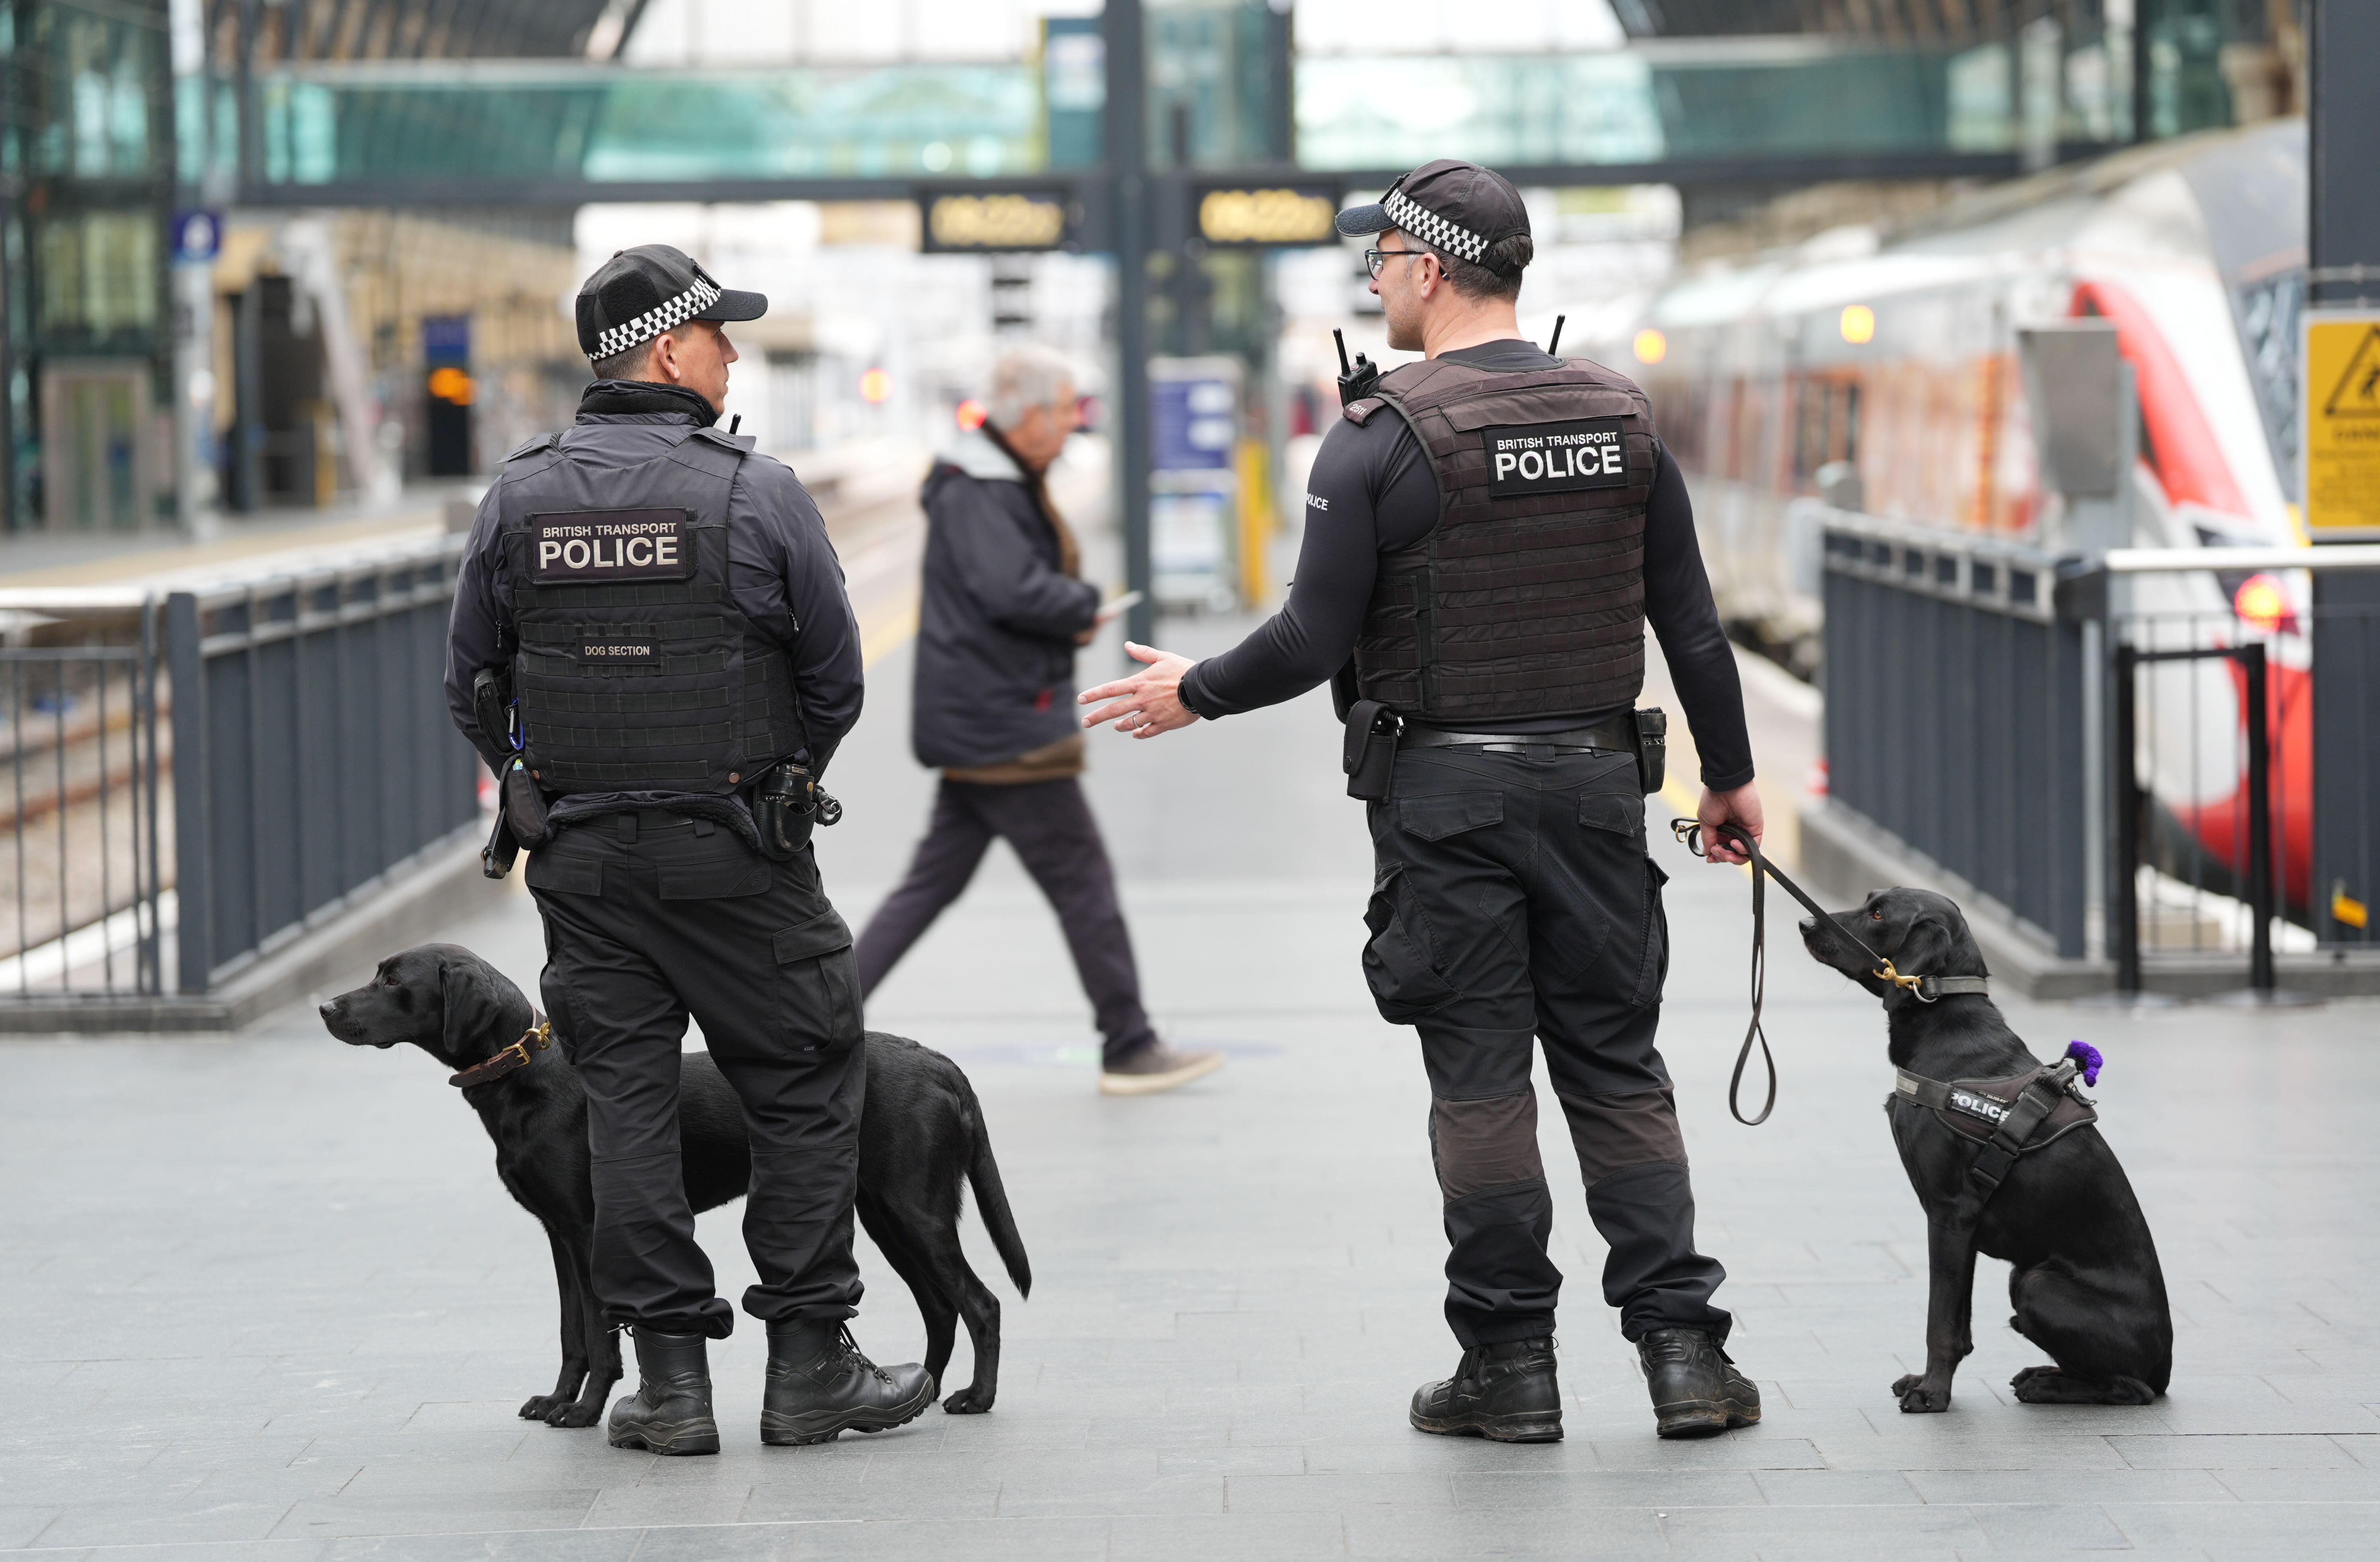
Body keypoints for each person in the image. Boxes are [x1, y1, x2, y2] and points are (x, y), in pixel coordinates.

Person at [1078, 162, 1768, 1443]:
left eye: (1382, 260)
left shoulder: (1381, 437)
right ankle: (1685, 1360)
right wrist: (1726, 777)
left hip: (1448, 801)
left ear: (1432, 269)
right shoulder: (1621, 415)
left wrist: (1198, 693)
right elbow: (1692, 623)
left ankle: (1509, 1371)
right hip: (1598, 789)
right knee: (1618, 1070)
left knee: (1482, 1082)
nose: (1376, 282)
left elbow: (1308, 637)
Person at [445, 244, 933, 1456]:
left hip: (587, 869)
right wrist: (775, 781)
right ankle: (811, 1365)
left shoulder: (518, 496)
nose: (730, 356)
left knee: (625, 1108)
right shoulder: (753, 493)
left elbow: (469, 680)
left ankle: (668, 1389)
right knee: (810, 1077)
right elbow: (836, 679)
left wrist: (530, 777)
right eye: (720, 336)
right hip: (737, 855)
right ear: (671, 350)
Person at [855, 345, 1223, 1096]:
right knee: (1082, 884)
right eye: (1060, 412)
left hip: (989, 718)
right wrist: (1082, 606)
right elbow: (1011, 589)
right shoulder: (980, 487)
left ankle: (811, 1025)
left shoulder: (988, 476)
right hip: (1006, 727)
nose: (1069, 425)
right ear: (1022, 417)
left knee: (930, 886)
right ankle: (1128, 1044)